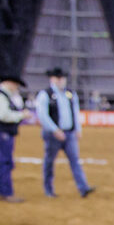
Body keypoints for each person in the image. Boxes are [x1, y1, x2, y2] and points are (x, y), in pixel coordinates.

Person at [35, 67, 95, 198]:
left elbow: (75, 112)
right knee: (49, 162)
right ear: (52, 79)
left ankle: (83, 187)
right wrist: (55, 130)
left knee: (75, 160)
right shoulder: (45, 94)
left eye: (62, 77)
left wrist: (78, 129)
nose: (61, 80)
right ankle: (48, 189)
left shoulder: (71, 94)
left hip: (69, 133)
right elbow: (42, 115)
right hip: (52, 134)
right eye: (58, 77)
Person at [0, 75, 31, 203]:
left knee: (6, 163)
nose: (16, 88)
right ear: (10, 83)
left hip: (5, 133)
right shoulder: (0, 96)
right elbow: (3, 115)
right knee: (6, 163)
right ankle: (6, 192)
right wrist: (21, 115)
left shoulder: (2, 95)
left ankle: (6, 191)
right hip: (4, 133)